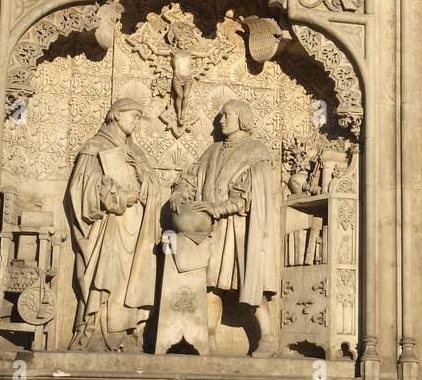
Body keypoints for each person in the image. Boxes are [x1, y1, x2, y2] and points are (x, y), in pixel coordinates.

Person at [170, 100, 281, 355]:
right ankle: (207, 339)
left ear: (242, 118)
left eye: (226, 115)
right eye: (220, 115)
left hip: (240, 229)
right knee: (211, 283)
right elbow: (191, 175)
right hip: (212, 229)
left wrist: (218, 208)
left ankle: (268, 338)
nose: (221, 120)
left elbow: (248, 195)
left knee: (249, 281)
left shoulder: (256, 152)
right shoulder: (213, 150)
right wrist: (179, 192)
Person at [65, 98, 159, 352]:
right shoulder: (94, 147)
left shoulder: (136, 152)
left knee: (131, 278)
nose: (136, 122)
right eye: (133, 116)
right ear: (116, 115)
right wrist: (116, 197)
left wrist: (141, 175)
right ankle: (95, 331)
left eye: (139, 118)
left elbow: (152, 184)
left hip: (135, 228)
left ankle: (128, 332)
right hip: (107, 226)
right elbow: (81, 189)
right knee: (104, 276)